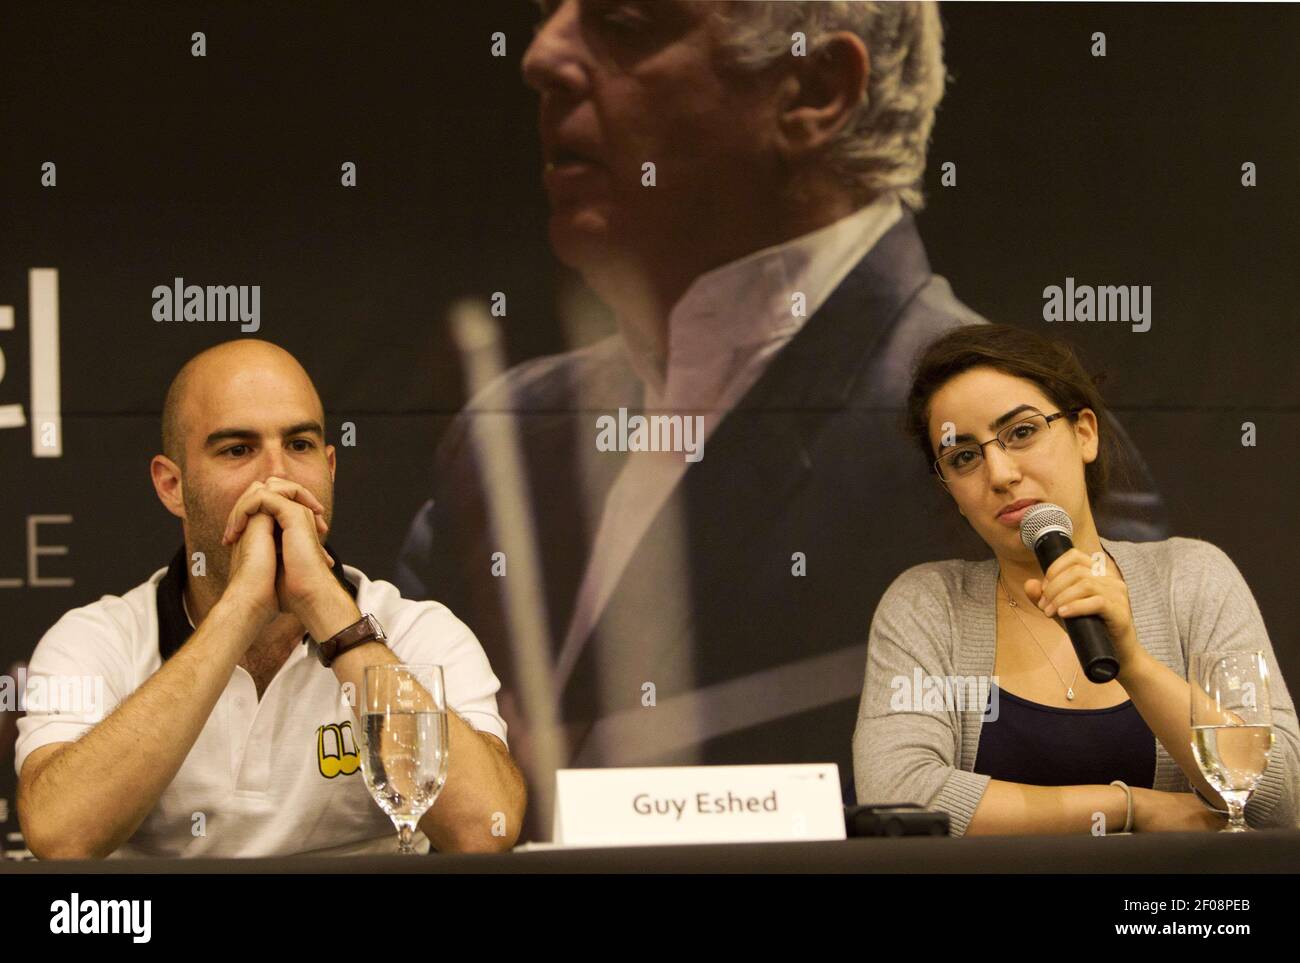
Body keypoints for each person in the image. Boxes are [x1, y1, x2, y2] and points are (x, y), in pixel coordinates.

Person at [398, 0, 1167, 837]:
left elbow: (1119, 755)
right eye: (552, 13)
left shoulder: (1003, 441)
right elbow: (372, 752)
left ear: (814, 88)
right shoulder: (503, 431)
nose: (541, 55)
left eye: (623, 21)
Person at [14, 340, 525, 858]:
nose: (276, 477)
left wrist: (327, 608)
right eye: (237, 449)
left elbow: (486, 830)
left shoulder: (418, 632)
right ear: (172, 486)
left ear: (329, 468)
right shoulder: (98, 639)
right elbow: (62, 838)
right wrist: (240, 609)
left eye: (300, 445)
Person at [853, 324, 1299, 834]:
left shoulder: (1192, 578)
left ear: (1085, 433)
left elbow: (1276, 800)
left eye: (1021, 432)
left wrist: (1132, 662)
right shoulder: (928, 604)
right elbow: (900, 795)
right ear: (950, 489)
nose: (999, 473)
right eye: (964, 456)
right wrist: (1135, 809)